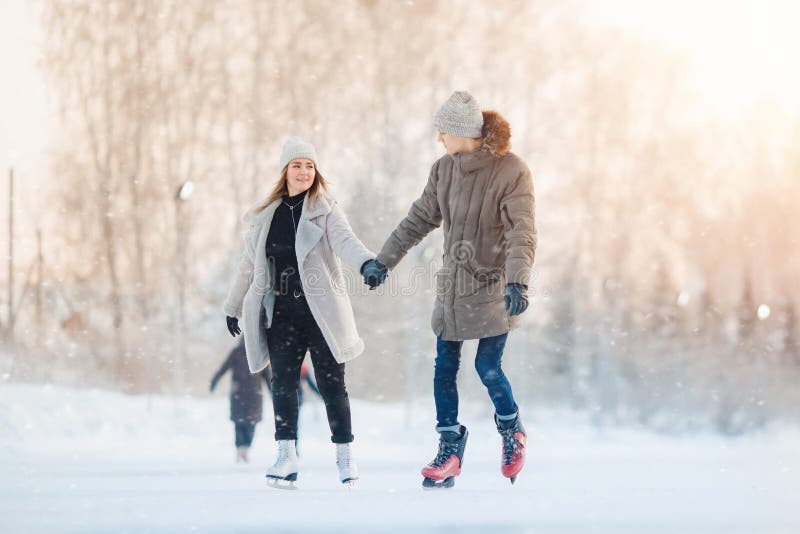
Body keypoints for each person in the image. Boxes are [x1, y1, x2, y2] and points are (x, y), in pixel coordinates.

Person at [362, 91, 536, 488]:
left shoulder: (512, 171)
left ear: (463, 132)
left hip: (493, 286)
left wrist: (517, 281)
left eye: (444, 131)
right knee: (444, 369)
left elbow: (522, 232)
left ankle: (512, 430)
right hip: (452, 290)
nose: (439, 137)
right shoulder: (443, 170)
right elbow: (419, 218)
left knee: (487, 367)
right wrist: (383, 261)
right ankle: (450, 448)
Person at [223, 136, 375, 489]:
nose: (304, 171)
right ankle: (286, 456)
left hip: (322, 314)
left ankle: (345, 458)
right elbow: (248, 265)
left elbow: (346, 243)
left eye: (309, 165)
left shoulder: (325, 210)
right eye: (297, 165)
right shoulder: (267, 217)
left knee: (332, 385)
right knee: (283, 386)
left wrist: (367, 263)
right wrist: (233, 306)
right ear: (285, 171)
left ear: (315, 171)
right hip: (282, 314)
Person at [209, 338, 270, 463]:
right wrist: (214, 382)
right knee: (245, 423)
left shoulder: (256, 354)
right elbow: (224, 368)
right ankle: (242, 449)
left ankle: (243, 449)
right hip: (249, 394)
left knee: (243, 422)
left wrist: (214, 382)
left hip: (244, 395)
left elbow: (268, 376)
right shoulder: (245, 353)